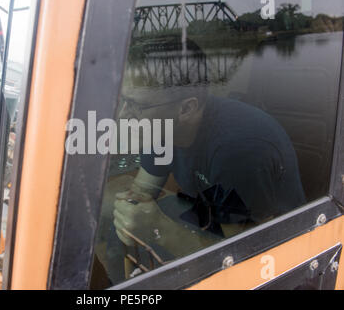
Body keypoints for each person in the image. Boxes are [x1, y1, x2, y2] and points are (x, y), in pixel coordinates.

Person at [113, 83, 307, 259]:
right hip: (210, 213)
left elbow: (237, 256)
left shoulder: (237, 151)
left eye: (137, 106)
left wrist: (159, 229)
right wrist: (129, 213)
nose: (123, 115)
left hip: (271, 248)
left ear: (186, 108)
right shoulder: (163, 128)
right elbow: (142, 191)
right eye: (124, 101)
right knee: (116, 239)